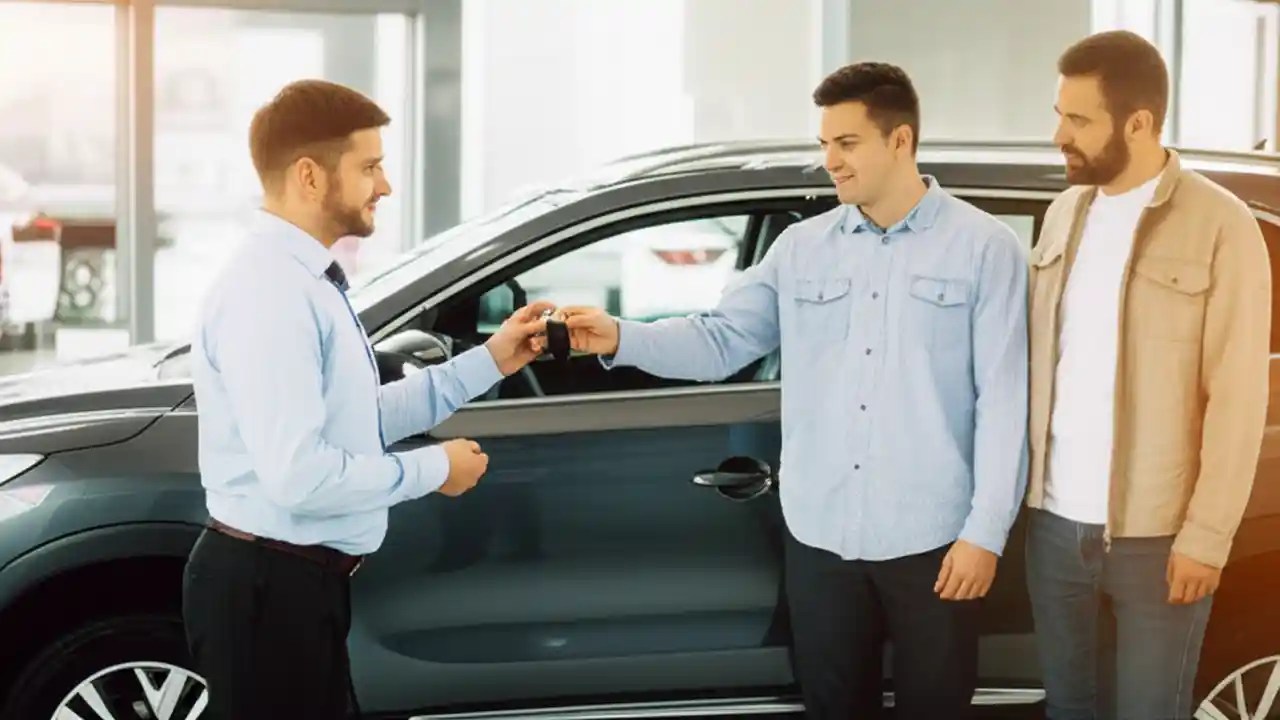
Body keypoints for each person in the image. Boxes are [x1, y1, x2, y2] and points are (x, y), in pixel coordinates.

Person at [558, 62, 1028, 720]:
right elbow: (720, 342)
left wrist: (985, 533)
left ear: (901, 141)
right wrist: (617, 338)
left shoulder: (984, 248)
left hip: (936, 542)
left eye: (847, 143)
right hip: (821, 540)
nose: (830, 162)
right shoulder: (801, 249)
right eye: (825, 144)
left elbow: (1006, 399)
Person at [181, 79, 550, 720]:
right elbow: (301, 476)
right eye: (370, 166)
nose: (386, 185)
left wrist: (492, 360)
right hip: (270, 595)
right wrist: (434, 470)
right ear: (310, 176)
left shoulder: (304, 280)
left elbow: (359, 419)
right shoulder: (271, 294)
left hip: (295, 587)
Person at [1025, 30, 1271, 720]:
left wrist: (1206, 537)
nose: (1058, 136)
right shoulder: (1063, 213)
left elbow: (1238, 398)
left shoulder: (1222, 226)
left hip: (1158, 539)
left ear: (1139, 123)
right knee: (1067, 710)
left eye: (1078, 120)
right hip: (1053, 529)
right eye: (1059, 114)